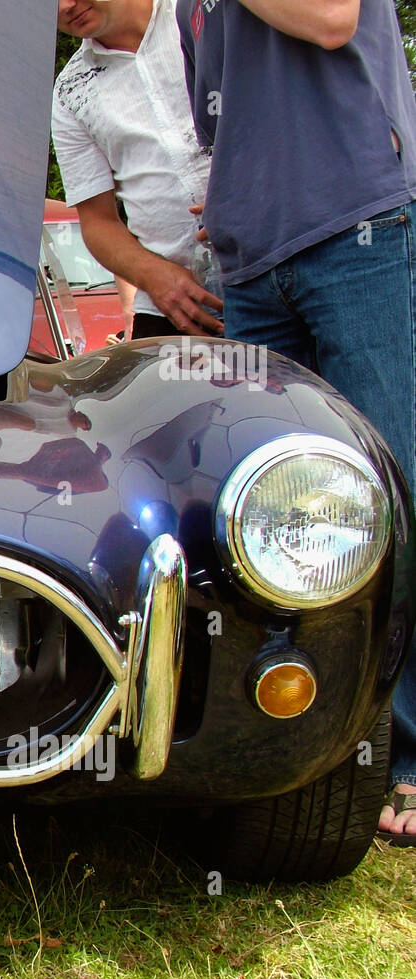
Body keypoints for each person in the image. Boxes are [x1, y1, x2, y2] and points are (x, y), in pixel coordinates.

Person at [178, 0, 416, 845]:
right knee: (277, 515)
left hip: (355, 227)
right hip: (251, 264)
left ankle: (405, 753)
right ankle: (291, 738)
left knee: (391, 491)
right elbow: (217, 113)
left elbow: (330, 18)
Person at [51, 0, 223, 338]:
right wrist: (152, 274)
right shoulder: (70, 90)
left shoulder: (203, 15)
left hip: (272, 267)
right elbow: (98, 221)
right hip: (170, 303)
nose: (65, 6)